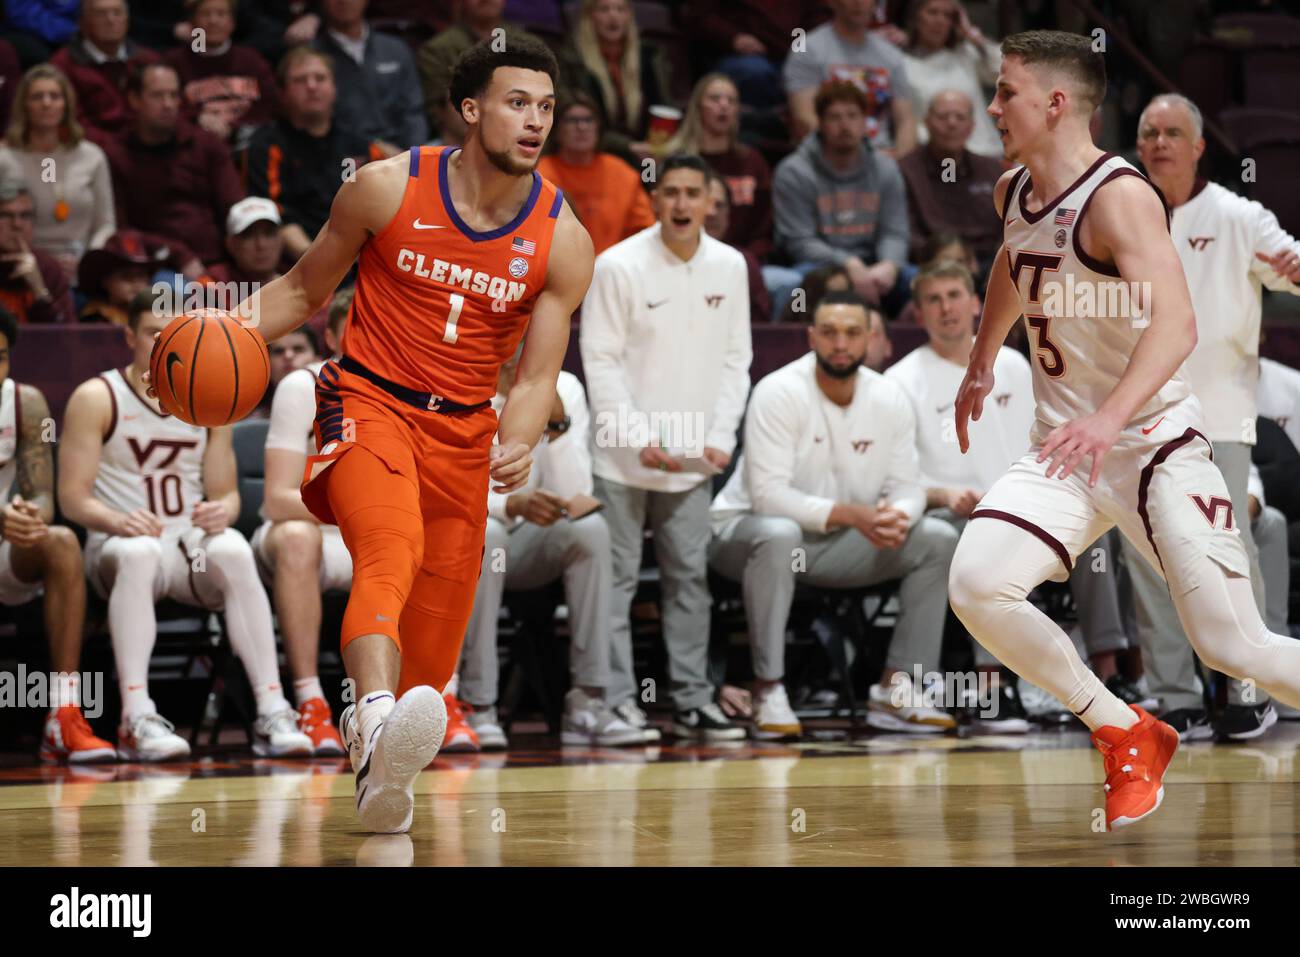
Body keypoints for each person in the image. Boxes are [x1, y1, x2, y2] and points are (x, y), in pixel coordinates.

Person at [160, 36, 592, 832]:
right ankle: (370, 713)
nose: (536, 122)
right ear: (471, 110)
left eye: (547, 107)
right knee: (390, 552)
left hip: (466, 432)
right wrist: (213, 330)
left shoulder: (565, 238)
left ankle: (381, 769)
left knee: (434, 654)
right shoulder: (386, 188)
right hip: (370, 401)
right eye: (517, 103)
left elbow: (536, 376)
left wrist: (522, 437)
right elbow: (299, 289)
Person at [947, 30, 1300, 832]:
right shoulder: (1014, 190)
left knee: (1234, 647)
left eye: (1006, 92)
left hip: (1154, 447)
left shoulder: (1121, 195)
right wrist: (980, 356)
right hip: (1066, 449)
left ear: (1055, 103)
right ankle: (1123, 728)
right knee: (975, 583)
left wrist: (1110, 420)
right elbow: (1013, 261)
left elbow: (1177, 326)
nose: (994, 106)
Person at [887, 259, 1141, 731]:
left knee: (1100, 536)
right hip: (954, 510)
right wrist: (943, 494)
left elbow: (1045, 436)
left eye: (954, 296)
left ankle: (1110, 672)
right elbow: (896, 476)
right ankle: (991, 685)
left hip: (1025, 495)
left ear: (976, 303)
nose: (947, 308)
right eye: (933, 300)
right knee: (979, 544)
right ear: (918, 313)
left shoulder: (1012, 363)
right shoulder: (900, 381)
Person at [58, 290, 312, 762]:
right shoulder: (98, 396)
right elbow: (71, 498)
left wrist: (224, 510)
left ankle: (272, 709)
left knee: (233, 547)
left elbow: (228, 494)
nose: (160, 343)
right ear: (129, 334)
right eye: (152, 332)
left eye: (170, 333)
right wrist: (118, 519)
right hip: (119, 544)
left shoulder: (207, 395)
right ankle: (136, 716)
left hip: (185, 546)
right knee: (139, 553)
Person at [1119, 92, 1300, 741]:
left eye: (1173, 132)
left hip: (1219, 415)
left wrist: (1296, 269)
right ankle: (1173, 692)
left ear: (1198, 147)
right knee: (1147, 551)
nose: (1160, 142)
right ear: (1137, 146)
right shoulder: (1119, 214)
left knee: (1231, 549)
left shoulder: (1238, 214)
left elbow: (1290, 264)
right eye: (1148, 132)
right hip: (1139, 414)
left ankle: (1247, 687)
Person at [710, 289, 958, 737]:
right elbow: (766, 496)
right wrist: (854, 515)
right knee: (780, 532)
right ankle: (769, 688)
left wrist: (896, 516)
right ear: (811, 338)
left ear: (871, 339)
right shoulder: (778, 392)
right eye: (828, 333)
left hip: (839, 542)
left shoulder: (889, 398)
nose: (840, 344)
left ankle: (896, 689)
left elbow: (908, 485)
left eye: (851, 333)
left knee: (936, 539)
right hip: (744, 536)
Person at [580, 153, 752, 743]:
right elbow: (598, 360)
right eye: (670, 192)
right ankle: (614, 703)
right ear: (654, 201)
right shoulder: (616, 265)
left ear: (711, 202)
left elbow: (737, 360)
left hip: (693, 459)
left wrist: (720, 438)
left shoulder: (730, 266)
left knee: (689, 580)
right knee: (617, 583)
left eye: (691, 193)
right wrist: (636, 438)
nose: (680, 204)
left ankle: (690, 701)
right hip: (620, 459)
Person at [457, 349, 642, 749]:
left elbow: (576, 496)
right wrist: (510, 504)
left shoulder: (566, 387)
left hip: (531, 542)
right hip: (468, 536)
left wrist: (555, 424)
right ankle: (477, 701)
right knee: (489, 535)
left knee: (590, 529)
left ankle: (589, 701)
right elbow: (447, 491)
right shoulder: (462, 382)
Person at [0, 305, 116, 763]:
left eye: (2, 356)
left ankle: (63, 714)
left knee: (62, 542)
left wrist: (30, 516)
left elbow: (44, 496)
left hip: (6, 547)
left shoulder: (24, 402)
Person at [250, 291, 351, 755]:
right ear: (330, 336)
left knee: (447, 532)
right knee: (295, 538)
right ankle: (311, 701)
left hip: (362, 535)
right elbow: (276, 500)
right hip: (307, 530)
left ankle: (435, 696)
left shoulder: (408, 384)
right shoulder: (303, 385)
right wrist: (359, 513)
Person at [770, 80, 909, 317]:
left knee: (921, 282)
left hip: (875, 265)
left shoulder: (885, 169)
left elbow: (894, 232)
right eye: (835, 117)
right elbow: (799, 242)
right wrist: (848, 264)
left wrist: (889, 265)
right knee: (793, 286)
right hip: (818, 266)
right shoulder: (794, 172)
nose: (845, 125)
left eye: (853, 116)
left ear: (865, 122)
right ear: (820, 123)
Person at [242, 48, 382, 262]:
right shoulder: (267, 146)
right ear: (283, 92)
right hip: (302, 261)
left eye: (320, 78)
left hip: (362, 256)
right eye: (300, 80)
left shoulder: (359, 145)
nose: (312, 86)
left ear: (334, 88)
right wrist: (318, 260)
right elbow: (274, 215)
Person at [102, 62, 244, 269]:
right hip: (155, 265)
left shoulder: (205, 144)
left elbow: (234, 207)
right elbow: (121, 229)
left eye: (173, 95)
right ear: (134, 100)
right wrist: (179, 255)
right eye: (158, 96)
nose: (168, 104)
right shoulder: (117, 154)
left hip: (218, 261)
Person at [0, 64, 116, 286]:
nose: (46, 103)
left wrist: (88, 261)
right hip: (21, 270)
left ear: (66, 105)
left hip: (81, 269)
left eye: (54, 96)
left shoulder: (92, 156)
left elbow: (106, 224)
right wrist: (43, 263)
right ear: (24, 105)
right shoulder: (5, 159)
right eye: (37, 97)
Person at [664, 73, 773, 263]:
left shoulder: (752, 161)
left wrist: (745, 259)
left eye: (731, 101)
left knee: (784, 281)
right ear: (698, 107)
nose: (724, 105)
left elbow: (765, 228)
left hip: (742, 259)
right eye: (715, 99)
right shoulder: (677, 162)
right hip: (683, 257)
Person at [783, 0, 916, 155]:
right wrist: (854, 158)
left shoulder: (891, 56)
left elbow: (906, 120)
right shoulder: (807, 51)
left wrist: (899, 157)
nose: (858, 2)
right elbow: (805, 120)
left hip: (883, 158)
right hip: (828, 157)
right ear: (832, 3)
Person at [898, 90, 1004, 274]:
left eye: (960, 117)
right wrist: (951, 258)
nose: (951, 123)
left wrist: (1000, 263)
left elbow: (1010, 226)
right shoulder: (906, 170)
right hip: (930, 261)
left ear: (972, 126)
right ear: (926, 122)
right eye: (943, 116)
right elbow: (905, 232)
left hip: (987, 262)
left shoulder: (992, 170)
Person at [536, 92, 654, 256]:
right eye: (572, 120)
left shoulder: (622, 173)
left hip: (613, 269)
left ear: (599, 127)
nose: (582, 127)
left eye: (588, 120)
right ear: (555, 129)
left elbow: (645, 231)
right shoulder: (537, 174)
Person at [557, 0, 673, 164]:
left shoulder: (650, 57)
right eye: (604, 9)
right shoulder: (572, 60)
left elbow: (664, 107)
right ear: (590, 17)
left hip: (645, 154)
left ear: (629, 16)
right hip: (596, 151)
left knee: (654, 174)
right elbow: (576, 118)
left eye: (620, 9)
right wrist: (628, 146)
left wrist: (655, 146)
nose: (613, 16)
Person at [312, 0, 427, 153]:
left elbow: (413, 111)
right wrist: (373, 149)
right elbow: (317, 120)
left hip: (403, 155)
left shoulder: (396, 49)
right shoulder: (311, 57)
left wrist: (413, 155)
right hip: (343, 158)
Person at [416, 0, 543, 139]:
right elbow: (439, 109)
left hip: (524, 131)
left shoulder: (529, 45)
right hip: (463, 137)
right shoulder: (437, 49)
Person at [163, 0, 279, 151]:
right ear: (192, 22)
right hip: (192, 150)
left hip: (247, 150)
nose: (213, 21)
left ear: (232, 23)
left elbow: (269, 105)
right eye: (205, 14)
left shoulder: (252, 62)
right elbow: (167, 106)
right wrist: (197, 117)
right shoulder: (174, 62)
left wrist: (233, 128)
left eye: (221, 14)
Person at [902, 0, 1002, 158]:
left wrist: (970, 33)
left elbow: (1003, 71)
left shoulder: (965, 54)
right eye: (933, 12)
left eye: (947, 15)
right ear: (916, 18)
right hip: (936, 159)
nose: (940, 21)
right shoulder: (902, 64)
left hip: (986, 153)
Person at [49, 0, 161, 139]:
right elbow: (72, 125)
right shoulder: (62, 66)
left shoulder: (149, 61)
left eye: (117, 13)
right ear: (82, 23)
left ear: (128, 19)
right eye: (100, 14)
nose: (110, 20)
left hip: (150, 146)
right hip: (93, 151)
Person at [0, 178, 74, 323]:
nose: (17, 224)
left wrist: (39, 291)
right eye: (5, 215)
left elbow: (68, 337)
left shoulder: (47, 268)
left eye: (25, 215)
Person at [704, 170, 771, 325]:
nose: (711, 213)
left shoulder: (743, 262)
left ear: (728, 213)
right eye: (705, 204)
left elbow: (759, 327)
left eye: (719, 205)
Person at [76, 230, 184, 325]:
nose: (136, 283)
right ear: (106, 282)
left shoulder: (159, 316)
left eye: (141, 276)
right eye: (127, 277)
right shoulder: (95, 319)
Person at [207, 196, 284, 286]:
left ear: (281, 240)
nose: (261, 245)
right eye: (248, 236)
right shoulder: (213, 283)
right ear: (231, 244)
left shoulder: (298, 280)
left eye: (269, 233)